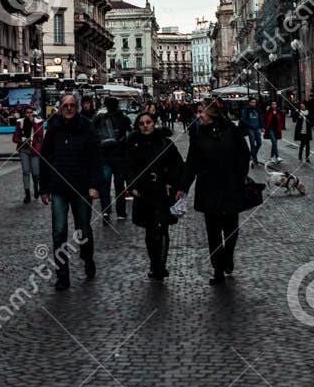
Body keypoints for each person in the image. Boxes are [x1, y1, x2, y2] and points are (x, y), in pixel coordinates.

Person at [38, 93, 102, 291]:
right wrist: (44, 189)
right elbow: (45, 159)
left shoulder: (87, 127)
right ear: (59, 107)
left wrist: (94, 185)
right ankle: (62, 275)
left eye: (72, 105)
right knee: (59, 232)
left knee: (83, 229)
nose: (68, 108)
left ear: (77, 107)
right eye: (65, 105)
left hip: (82, 187)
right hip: (58, 188)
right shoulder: (53, 128)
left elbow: (95, 158)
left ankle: (87, 258)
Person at [182, 97, 250, 285]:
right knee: (212, 232)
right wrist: (183, 187)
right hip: (208, 187)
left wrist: (239, 176)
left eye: (200, 112)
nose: (198, 115)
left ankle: (228, 255)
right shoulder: (197, 135)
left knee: (230, 227)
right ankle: (218, 269)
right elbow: (191, 163)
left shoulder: (231, 130)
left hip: (231, 185)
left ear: (211, 113)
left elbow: (244, 155)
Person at [126, 108, 185, 281]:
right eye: (142, 124)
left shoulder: (165, 143)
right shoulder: (133, 143)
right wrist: (132, 185)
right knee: (150, 229)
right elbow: (128, 165)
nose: (145, 126)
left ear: (154, 123)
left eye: (148, 122)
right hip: (143, 191)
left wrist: (170, 182)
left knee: (162, 227)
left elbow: (178, 164)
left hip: (162, 191)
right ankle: (154, 263)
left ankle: (161, 265)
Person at [95, 96, 131, 224]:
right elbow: (131, 134)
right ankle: (121, 211)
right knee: (119, 185)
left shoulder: (100, 118)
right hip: (119, 155)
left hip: (104, 155)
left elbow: (93, 134)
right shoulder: (124, 118)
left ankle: (106, 211)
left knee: (104, 185)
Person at [13, 108, 42, 203]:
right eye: (27, 113)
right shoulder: (20, 122)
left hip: (34, 150)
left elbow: (40, 134)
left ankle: (36, 187)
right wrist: (21, 141)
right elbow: (15, 137)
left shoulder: (38, 121)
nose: (29, 114)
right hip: (24, 149)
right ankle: (27, 194)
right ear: (24, 114)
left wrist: (33, 122)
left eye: (31, 112)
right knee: (26, 171)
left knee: (36, 172)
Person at [239, 97, 264, 166]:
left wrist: (262, 126)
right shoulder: (246, 110)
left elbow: (260, 118)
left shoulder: (257, 109)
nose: (254, 103)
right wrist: (250, 125)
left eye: (255, 102)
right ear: (249, 102)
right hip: (250, 129)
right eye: (252, 102)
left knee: (259, 143)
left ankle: (252, 155)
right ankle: (255, 159)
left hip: (257, 129)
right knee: (252, 144)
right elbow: (243, 119)